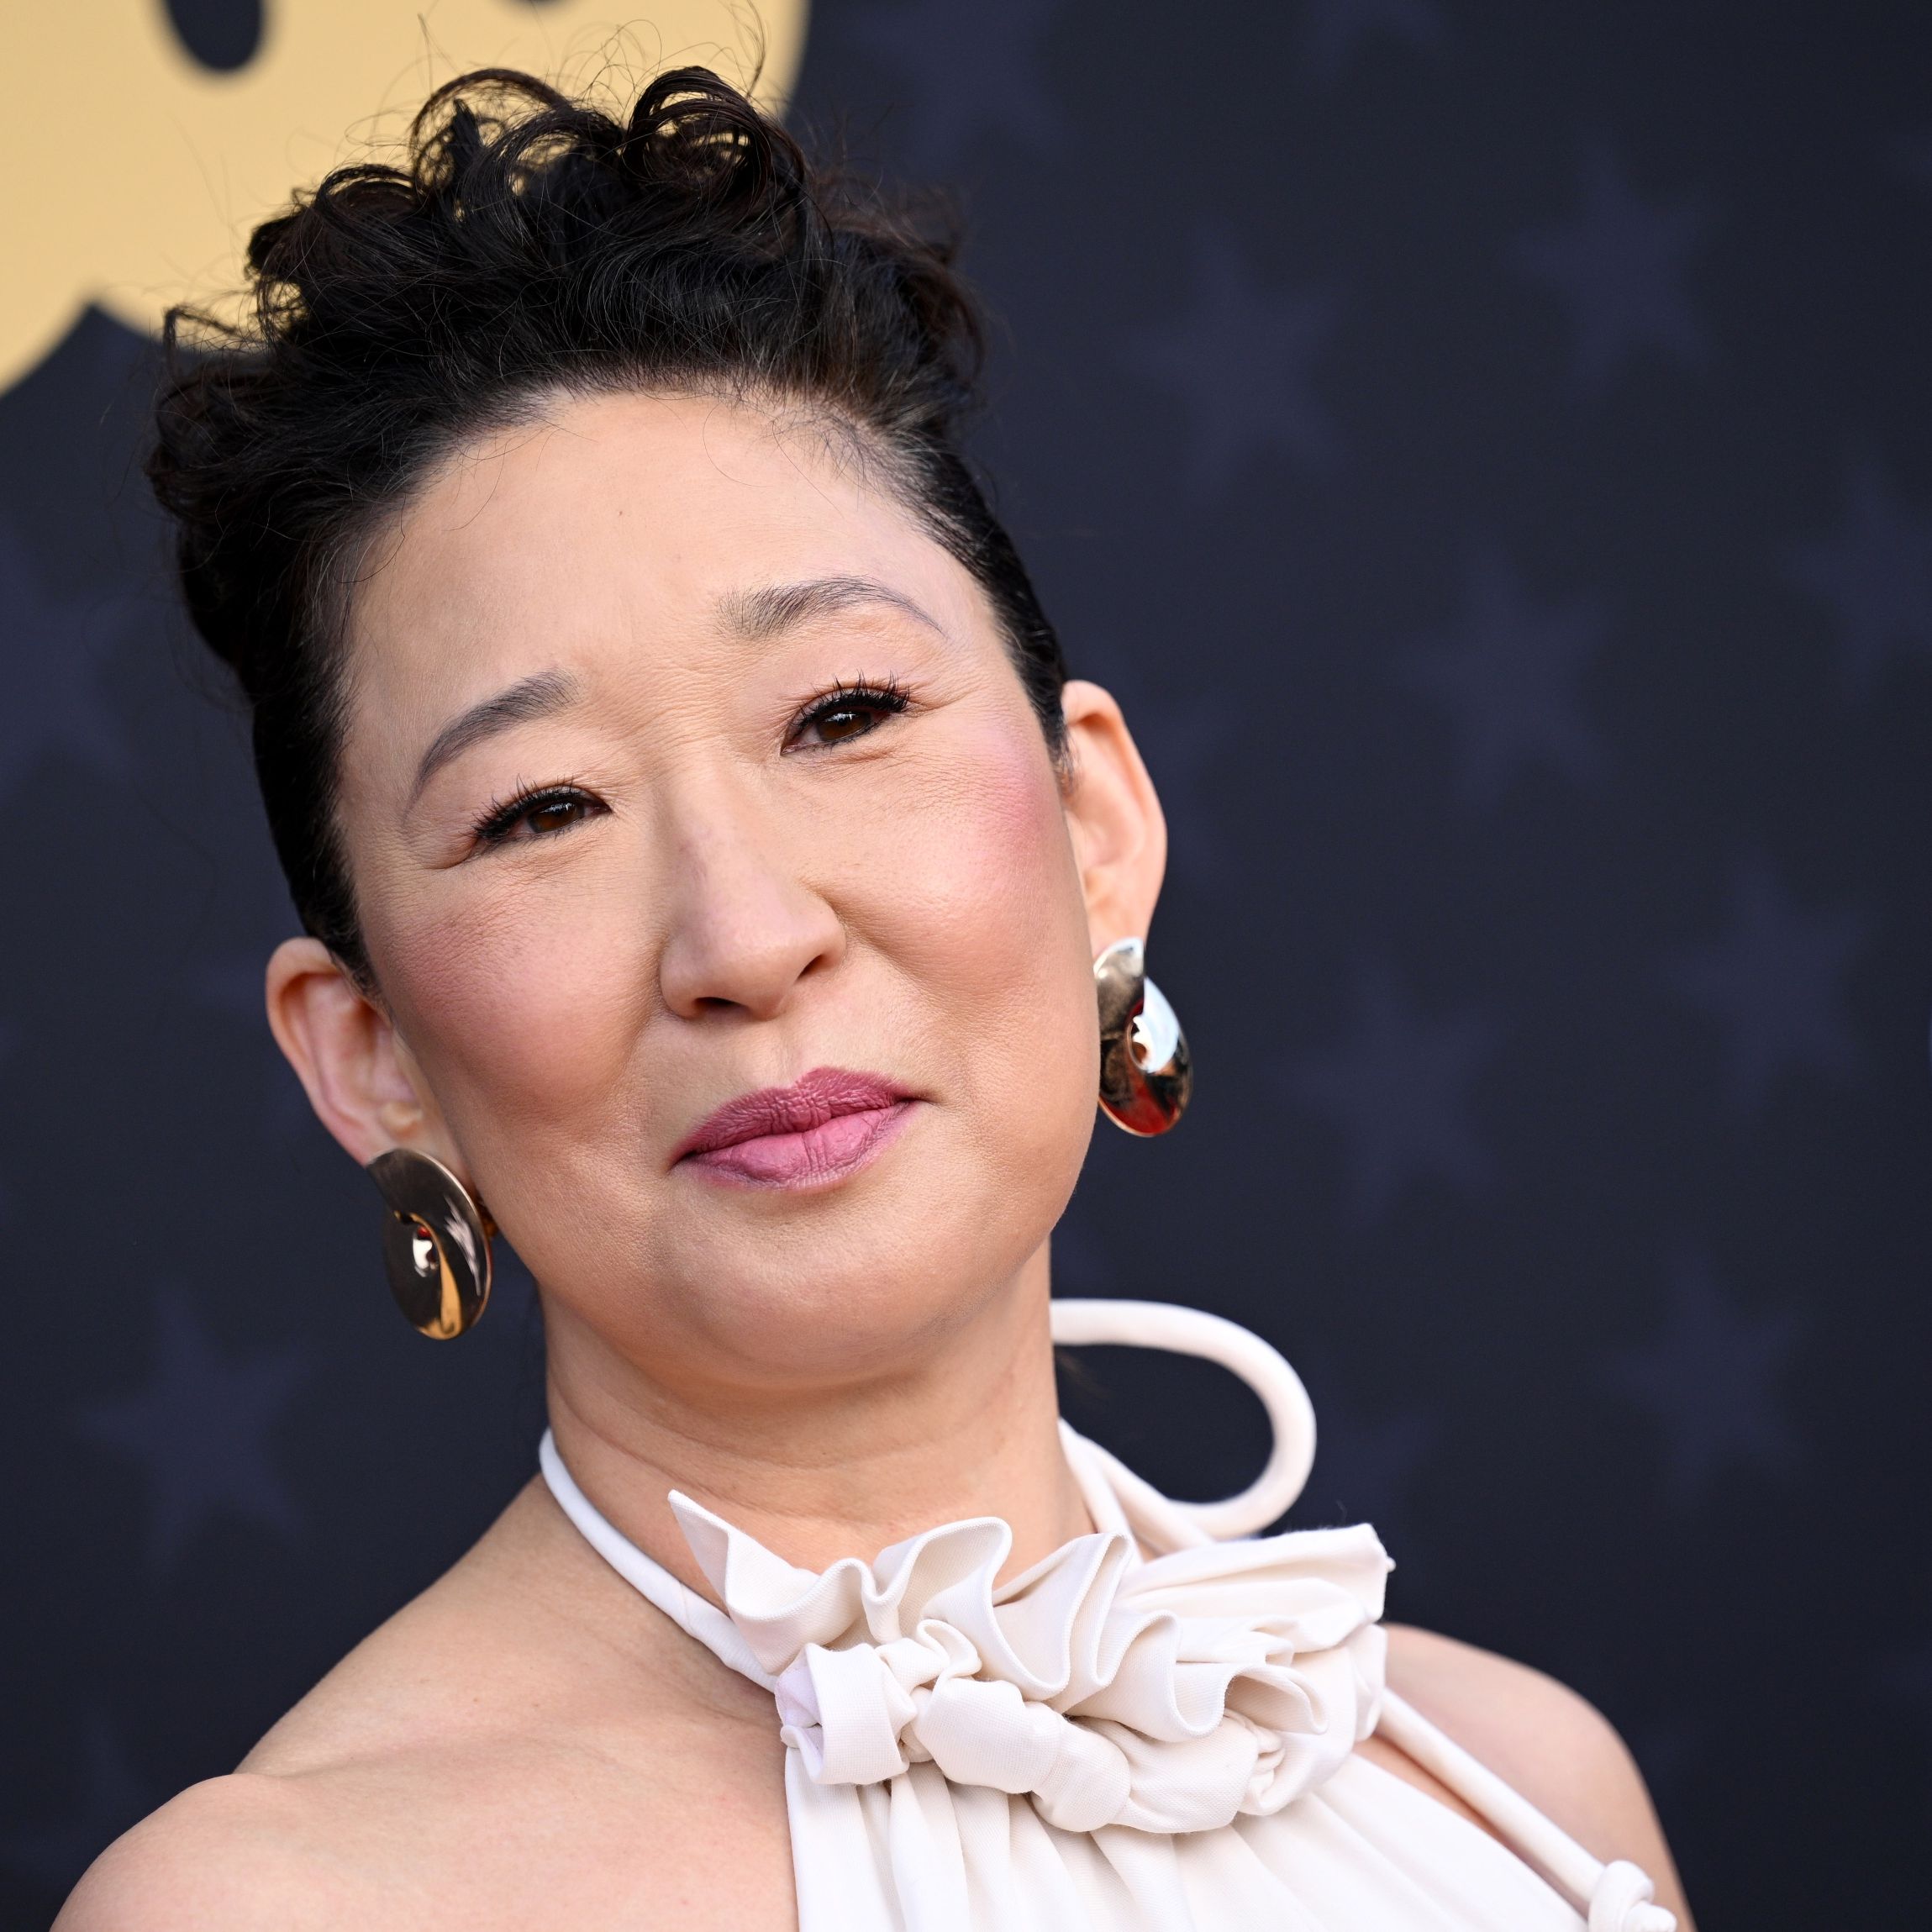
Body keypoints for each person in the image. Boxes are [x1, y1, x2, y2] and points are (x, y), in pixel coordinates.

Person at [59, 67, 1693, 1931]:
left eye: (843, 715)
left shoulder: (1521, 1792)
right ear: (371, 1058)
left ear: (1095, 828)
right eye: (542, 810)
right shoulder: (283, 1903)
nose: (747, 937)